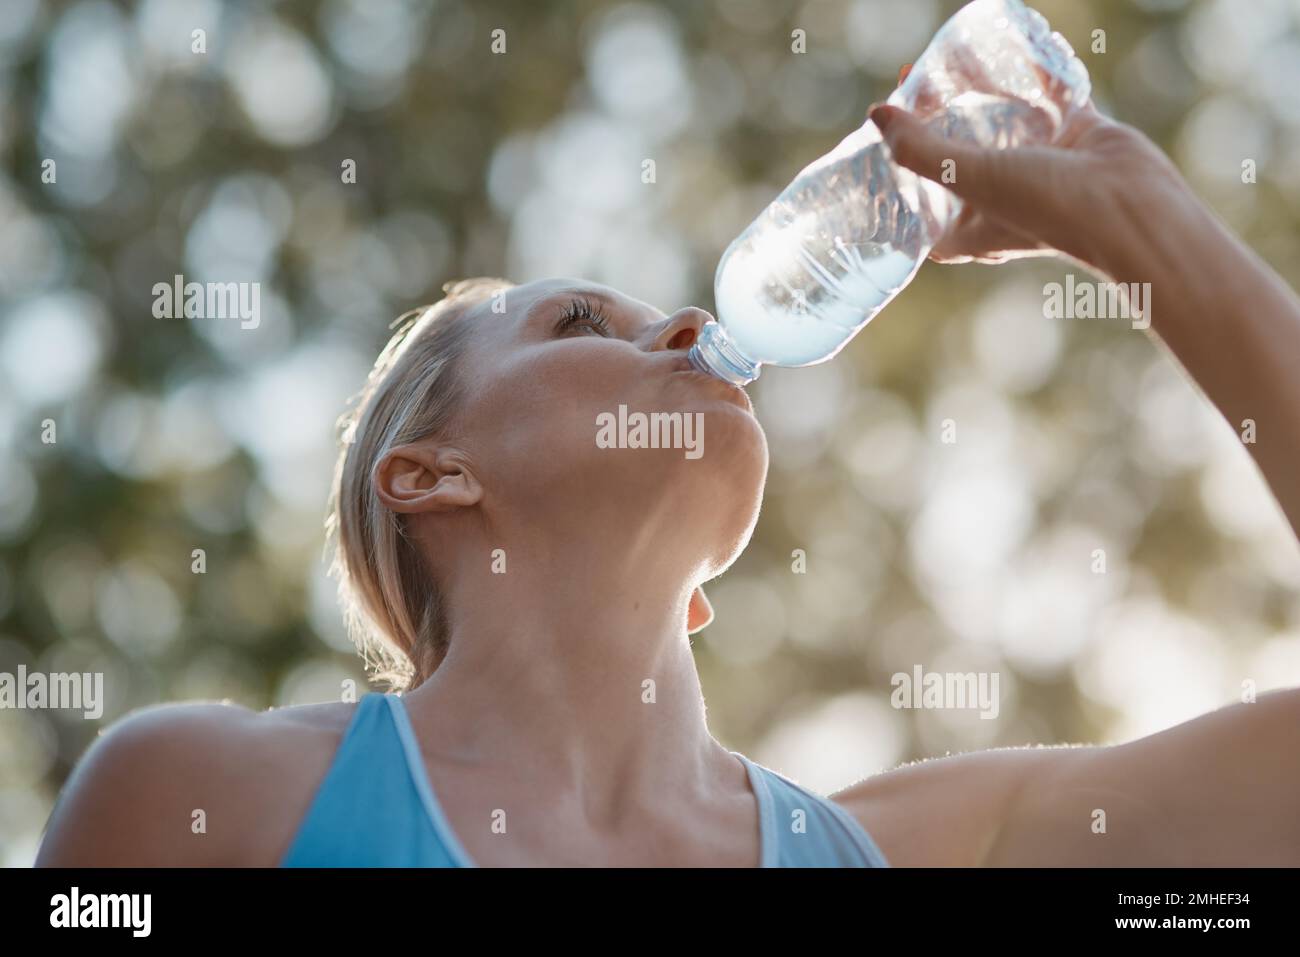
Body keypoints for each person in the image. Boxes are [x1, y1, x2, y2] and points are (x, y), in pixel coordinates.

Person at [36, 92, 1300, 867]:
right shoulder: (200, 797)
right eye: (582, 319)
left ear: (699, 594)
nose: (690, 325)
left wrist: (1144, 224)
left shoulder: (922, 851)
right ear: (430, 474)